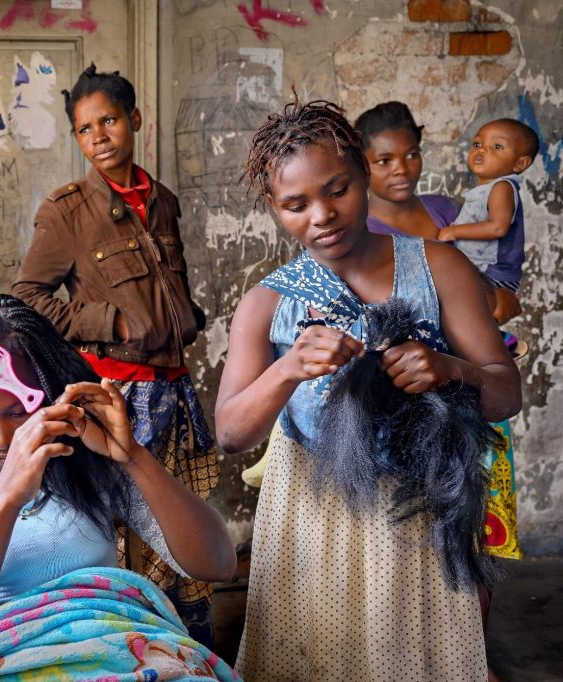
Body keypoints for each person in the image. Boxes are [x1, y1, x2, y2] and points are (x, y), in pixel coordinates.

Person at [214, 98, 521, 681]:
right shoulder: (268, 303)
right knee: (318, 660)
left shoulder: (440, 268)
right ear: (275, 210)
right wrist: (286, 370)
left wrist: (451, 369)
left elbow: (507, 393)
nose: (322, 215)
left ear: (364, 177)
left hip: (422, 511)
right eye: (296, 205)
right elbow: (231, 433)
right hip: (312, 515)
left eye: (337, 190)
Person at [0, 294, 239, 680]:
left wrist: (134, 458)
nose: (1, 438)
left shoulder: (86, 447)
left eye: (17, 411)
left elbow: (217, 564)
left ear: (47, 387)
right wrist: (6, 498)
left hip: (111, 652)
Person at [11, 64, 219, 645]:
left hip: (175, 392)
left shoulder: (164, 201)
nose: (98, 135)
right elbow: (26, 297)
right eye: (84, 128)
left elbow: (167, 285)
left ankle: (188, 646)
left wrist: (187, 317)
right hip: (117, 397)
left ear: (135, 121)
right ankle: (130, 646)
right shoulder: (68, 209)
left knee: (183, 517)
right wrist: (112, 321)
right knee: (129, 532)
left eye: (108, 120)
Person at [437, 118, 539, 325]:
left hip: (493, 273)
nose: (482, 150)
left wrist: (454, 232)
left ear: (520, 164)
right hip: (482, 269)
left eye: (497, 146)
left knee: (469, 316)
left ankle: (497, 344)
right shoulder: (488, 188)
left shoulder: (502, 187)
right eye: (477, 144)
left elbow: (498, 227)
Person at [355, 101, 459, 240]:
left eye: (411, 155)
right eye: (384, 161)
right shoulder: (360, 237)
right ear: (362, 166)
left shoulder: (447, 209)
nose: (402, 170)